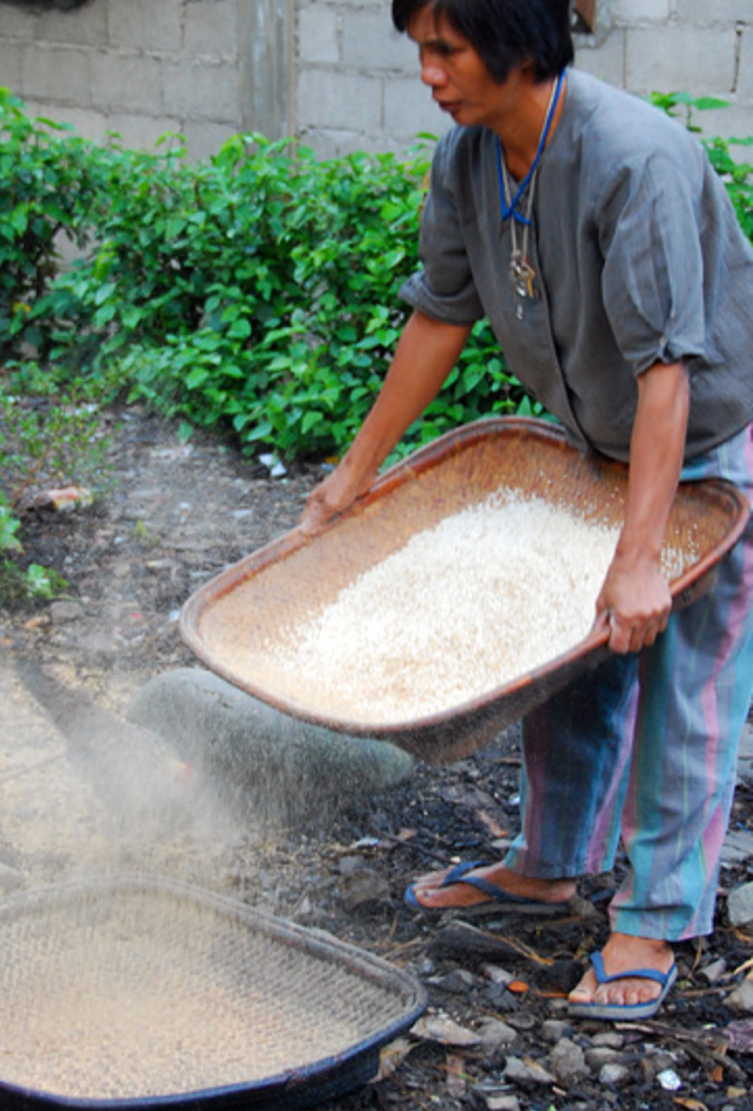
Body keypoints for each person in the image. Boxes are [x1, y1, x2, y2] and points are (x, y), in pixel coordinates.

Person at [299, 0, 753, 1020]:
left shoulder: (632, 160)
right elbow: (437, 312)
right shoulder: (467, 160)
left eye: (445, 49)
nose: (427, 73)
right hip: (596, 441)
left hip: (707, 442)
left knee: (682, 677)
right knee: (571, 658)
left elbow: (665, 375)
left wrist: (640, 558)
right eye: (419, 49)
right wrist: (352, 475)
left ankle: (654, 917)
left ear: (514, 42)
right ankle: (547, 865)